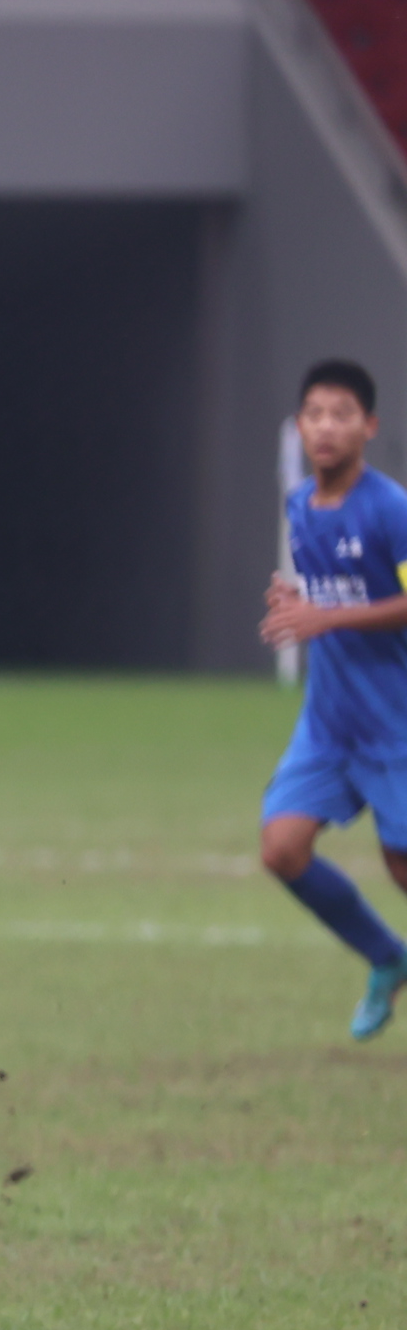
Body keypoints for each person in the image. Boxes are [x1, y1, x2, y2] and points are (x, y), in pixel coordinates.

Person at [257, 357, 407, 1038]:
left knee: (401, 869)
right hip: (328, 723)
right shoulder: (299, 506)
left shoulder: (391, 510)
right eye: (314, 414)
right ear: (300, 425)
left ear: (368, 427)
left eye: (341, 415)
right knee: (282, 850)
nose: (326, 427)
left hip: (394, 723)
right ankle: (387, 957)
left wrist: (324, 618)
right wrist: (295, 601)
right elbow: (325, 594)